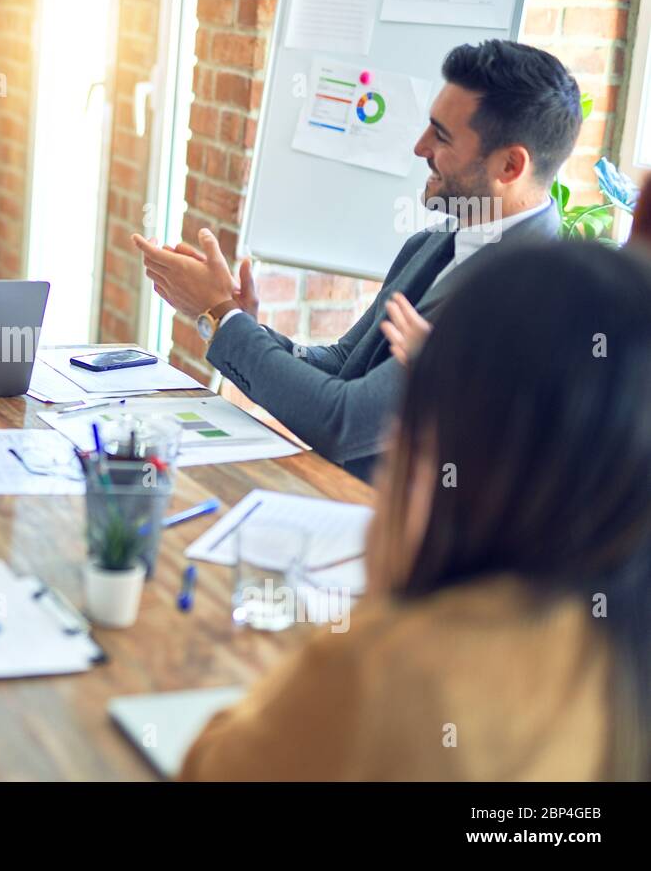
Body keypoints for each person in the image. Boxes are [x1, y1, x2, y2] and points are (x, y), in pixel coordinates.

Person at [182, 239, 651, 781]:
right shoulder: (610, 659)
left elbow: (212, 770)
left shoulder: (388, 669)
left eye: (418, 417)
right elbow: (340, 363)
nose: (420, 149)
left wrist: (386, 607)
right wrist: (247, 328)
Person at [135, 40, 581, 480]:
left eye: (441, 136)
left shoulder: (527, 296)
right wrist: (233, 319)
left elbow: (345, 423)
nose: (419, 147)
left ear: (509, 166)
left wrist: (222, 316)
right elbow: (344, 363)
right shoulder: (438, 240)